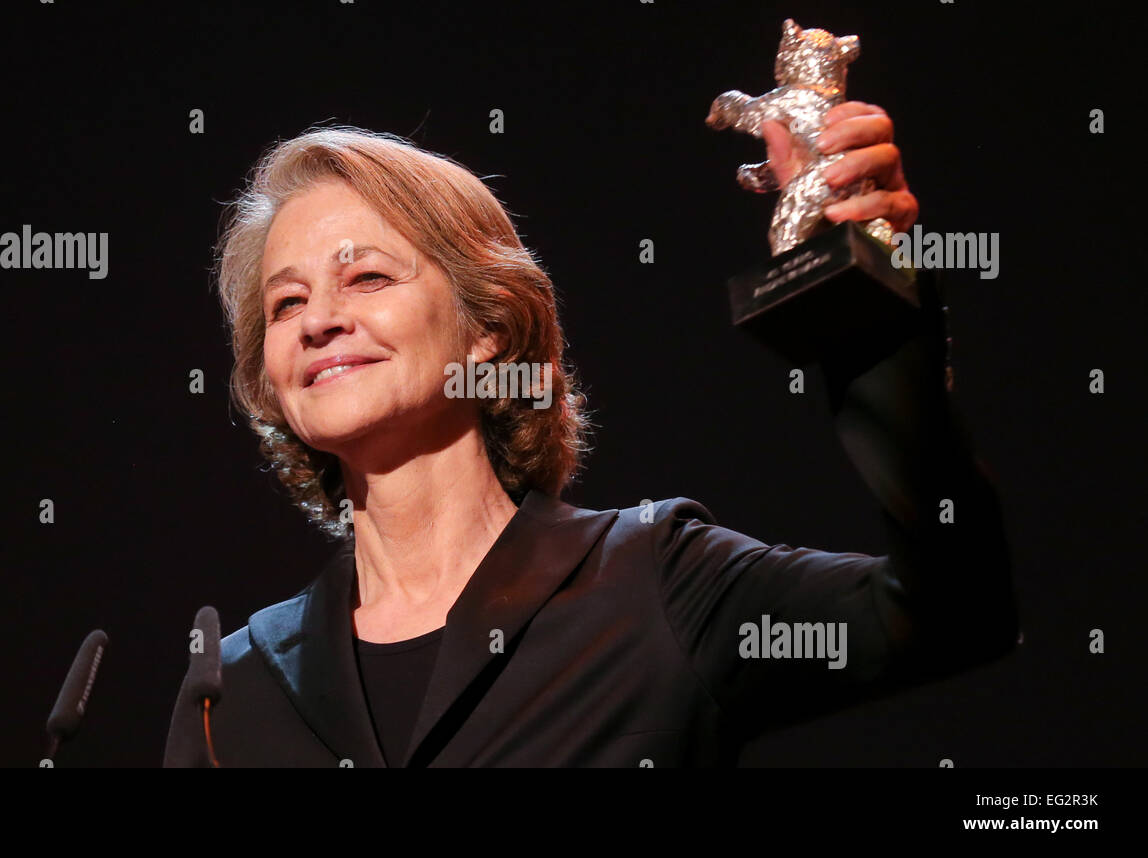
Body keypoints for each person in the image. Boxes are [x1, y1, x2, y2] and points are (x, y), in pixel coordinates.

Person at [164, 107, 1017, 767]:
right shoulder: (235, 688)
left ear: (485, 327)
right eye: (285, 303)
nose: (320, 321)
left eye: (368, 277)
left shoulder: (655, 583)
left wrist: (871, 314)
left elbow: (956, 612)